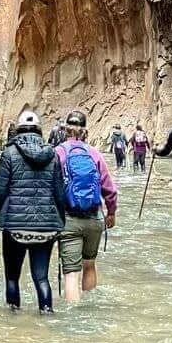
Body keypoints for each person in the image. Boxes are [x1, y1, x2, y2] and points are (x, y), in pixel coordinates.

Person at [0, 110, 71, 313]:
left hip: (15, 226)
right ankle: (47, 315)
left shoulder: (9, 153)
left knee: (12, 277)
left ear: (18, 130)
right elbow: (59, 192)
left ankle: (11, 321)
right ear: (39, 131)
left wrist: (1, 213)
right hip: (46, 226)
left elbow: (0, 189)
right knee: (42, 278)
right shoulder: (52, 154)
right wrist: (59, 221)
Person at [54, 110, 118, 302]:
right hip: (94, 218)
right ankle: (90, 309)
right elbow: (110, 189)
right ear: (85, 131)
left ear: (66, 130)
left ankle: (73, 320)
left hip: (68, 219)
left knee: (71, 273)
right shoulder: (94, 153)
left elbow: (49, 187)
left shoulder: (58, 153)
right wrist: (111, 213)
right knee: (89, 265)